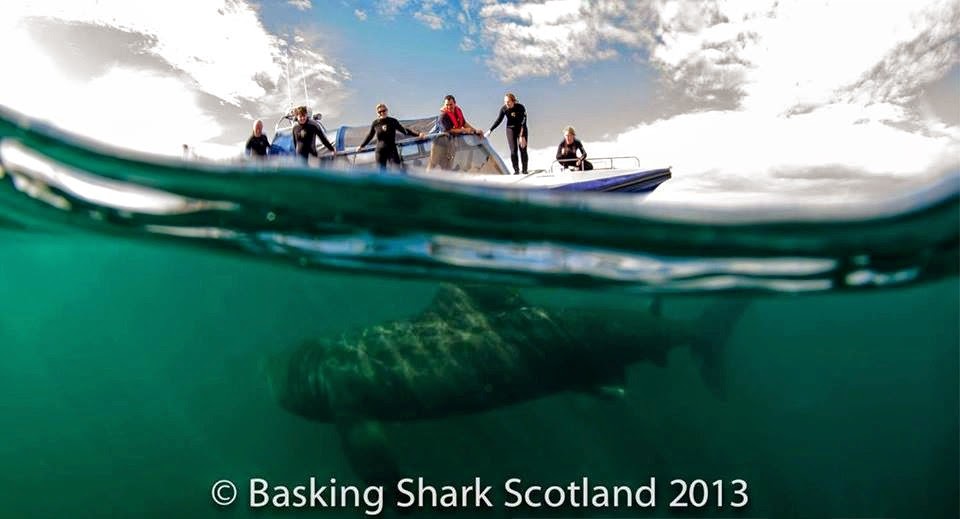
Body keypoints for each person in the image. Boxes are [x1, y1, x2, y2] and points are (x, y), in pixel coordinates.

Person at [356, 103, 425, 170]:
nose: (382, 113)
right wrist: (362, 146)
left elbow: (404, 131)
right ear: (377, 113)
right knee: (381, 173)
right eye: (380, 112)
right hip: (380, 151)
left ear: (387, 110)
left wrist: (418, 134)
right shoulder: (375, 123)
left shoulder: (393, 121)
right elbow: (370, 136)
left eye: (383, 111)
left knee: (396, 169)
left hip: (392, 150)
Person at [487, 93, 528, 174]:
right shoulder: (504, 109)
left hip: (521, 129)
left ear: (513, 101)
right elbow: (498, 120)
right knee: (513, 151)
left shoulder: (520, 107)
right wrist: (490, 130)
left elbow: (523, 122)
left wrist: (521, 136)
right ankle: (516, 170)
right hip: (510, 129)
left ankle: (524, 170)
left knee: (523, 149)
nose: (507, 103)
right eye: (505, 102)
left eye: (508, 101)